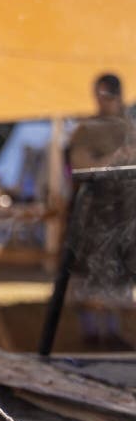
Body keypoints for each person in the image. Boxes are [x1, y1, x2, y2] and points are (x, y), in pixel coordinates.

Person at [66, 73, 135, 350]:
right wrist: (115, 159)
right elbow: (80, 166)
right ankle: (93, 333)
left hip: (124, 212)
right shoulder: (87, 129)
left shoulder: (129, 128)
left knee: (117, 275)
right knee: (91, 274)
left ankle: (112, 332)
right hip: (94, 212)